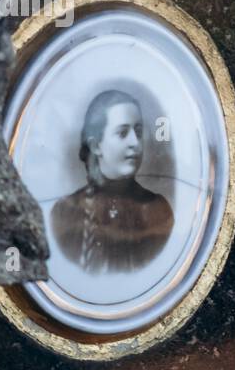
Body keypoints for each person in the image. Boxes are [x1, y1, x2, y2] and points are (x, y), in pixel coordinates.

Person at [51, 89, 174, 274]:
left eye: (138, 132)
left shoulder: (157, 210)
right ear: (96, 146)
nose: (135, 142)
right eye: (123, 133)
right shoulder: (65, 212)